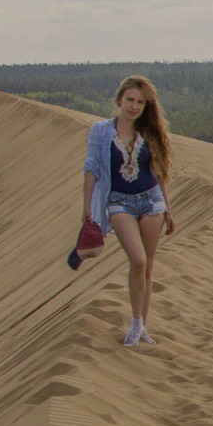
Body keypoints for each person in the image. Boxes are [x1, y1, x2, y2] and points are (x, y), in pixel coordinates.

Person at [80, 77, 175, 345]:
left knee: (148, 266)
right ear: (119, 100)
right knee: (138, 260)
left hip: (151, 202)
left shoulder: (150, 133)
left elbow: (159, 173)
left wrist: (167, 208)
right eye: (130, 100)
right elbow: (91, 169)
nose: (134, 106)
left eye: (140, 102)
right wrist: (86, 206)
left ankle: (143, 326)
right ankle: (135, 323)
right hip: (119, 202)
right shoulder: (100, 132)